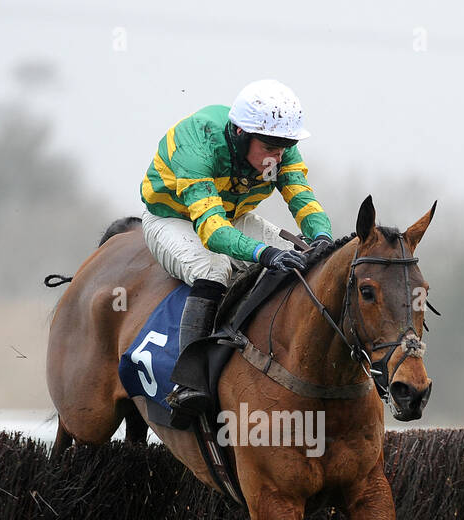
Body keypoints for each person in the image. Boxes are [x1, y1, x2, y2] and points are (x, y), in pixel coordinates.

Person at [139, 79, 334, 418]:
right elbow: (213, 232)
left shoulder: (280, 152)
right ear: (241, 133)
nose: (277, 156)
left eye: (284, 146)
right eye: (270, 146)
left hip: (233, 215)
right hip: (173, 218)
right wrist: (264, 254)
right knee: (213, 269)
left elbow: (302, 198)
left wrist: (322, 239)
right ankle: (190, 381)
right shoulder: (197, 142)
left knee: (308, 261)